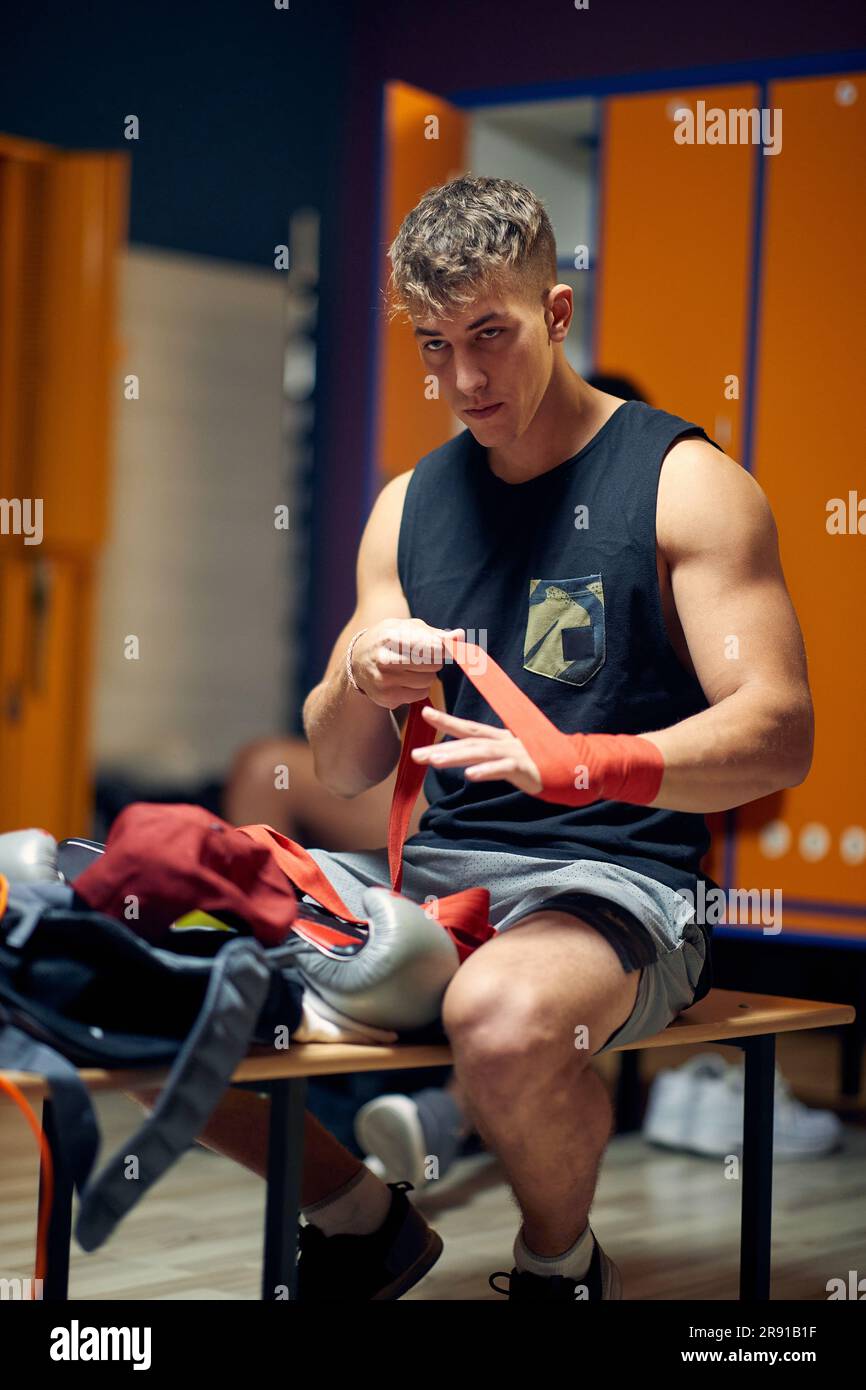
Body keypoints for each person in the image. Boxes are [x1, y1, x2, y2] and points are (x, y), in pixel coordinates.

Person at [136, 174, 813, 1302]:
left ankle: (558, 1265)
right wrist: (359, 673)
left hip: (618, 884)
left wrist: (591, 761)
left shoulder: (687, 486)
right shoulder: (409, 504)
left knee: (496, 1016)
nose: (460, 379)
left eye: (489, 336)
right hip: (435, 879)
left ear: (554, 313)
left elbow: (778, 732)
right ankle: (358, 1218)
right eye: (433, 345)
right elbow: (343, 758)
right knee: (137, 975)